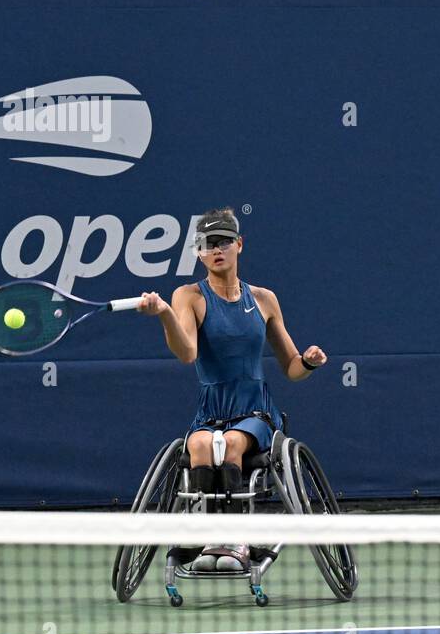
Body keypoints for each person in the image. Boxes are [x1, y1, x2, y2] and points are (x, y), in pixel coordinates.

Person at [136, 207, 327, 568]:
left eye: (224, 241)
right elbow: (188, 354)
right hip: (211, 411)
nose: (216, 249)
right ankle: (208, 536)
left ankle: (236, 538)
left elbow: (292, 367)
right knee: (199, 444)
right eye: (208, 244)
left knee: (235, 444)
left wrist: (310, 363)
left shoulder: (264, 299)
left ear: (239, 244)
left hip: (255, 411)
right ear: (199, 253)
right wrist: (164, 314)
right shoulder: (188, 296)